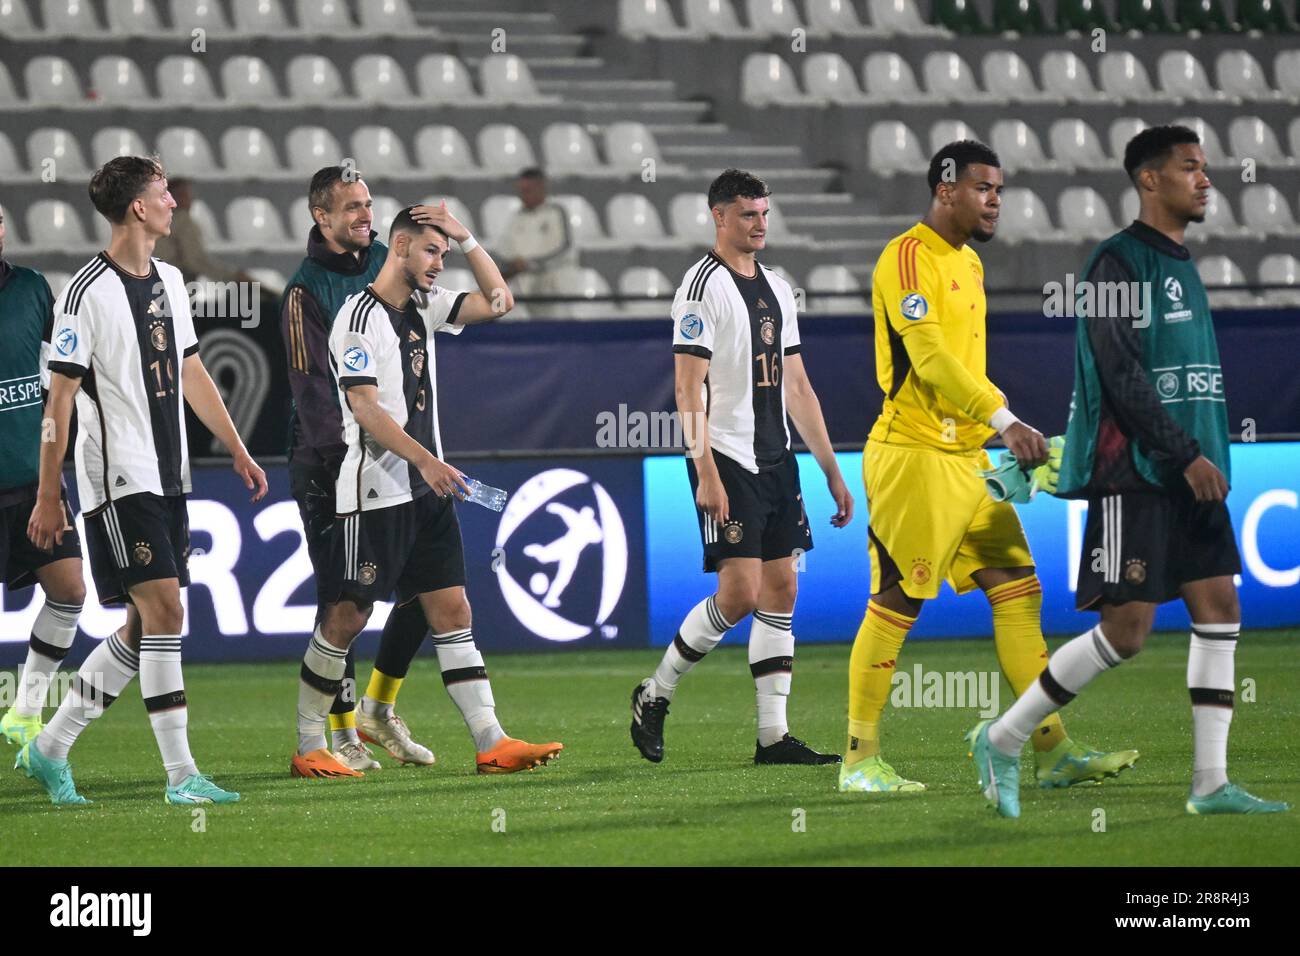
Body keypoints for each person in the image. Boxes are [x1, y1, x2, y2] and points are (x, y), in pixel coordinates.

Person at [968, 126, 1290, 818]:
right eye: (1190, 168)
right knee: (1127, 631)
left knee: (1220, 611)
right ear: (1150, 180)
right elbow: (1119, 376)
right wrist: (1185, 454)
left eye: (1206, 168)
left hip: (1191, 477)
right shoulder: (1115, 264)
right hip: (1136, 475)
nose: (1206, 180)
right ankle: (1002, 737)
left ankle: (1209, 784)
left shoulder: (1184, 266)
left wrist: (1204, 460)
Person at [842, 141, 1138, 795]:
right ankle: (858, 759)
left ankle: (1052, 750)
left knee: (1018, 591)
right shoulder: (908, 256)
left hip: (969, 461)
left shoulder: (969, 265)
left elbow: (966, 372)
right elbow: (929, 360)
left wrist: (1000, 435)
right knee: (896, 602)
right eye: (983, 188)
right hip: (913, 458)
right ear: (946, 190)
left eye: (1000, 190)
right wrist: (1006, 419)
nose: (995, 201)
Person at [21, 156, 268, 806]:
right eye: (164, 194)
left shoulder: (169, 279)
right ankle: (182, 774)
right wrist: (52, 494)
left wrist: (238, 448)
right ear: (137, 207)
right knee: (166, 611)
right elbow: (59, 402)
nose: (174, 205)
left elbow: (191, 370)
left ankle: (49, 747)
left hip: (168, 475)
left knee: (139, 624)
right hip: (116, 479)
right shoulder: (83, 293)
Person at [291, 205, 563, 778]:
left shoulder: (423, 307)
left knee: (451, 607)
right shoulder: (357, 318)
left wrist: (466, 235)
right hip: (376, 493)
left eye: (444, 253)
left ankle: (491, 739)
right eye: (432, 252)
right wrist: (426, 460)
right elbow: (364, 408)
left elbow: (498, 301)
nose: (441, 264)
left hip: (426, 491)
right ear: (400, 248)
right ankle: (309, 743)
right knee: (346, 617)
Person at [630, 169, 851, 766]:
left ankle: (773, 736)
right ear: (718, 216)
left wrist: (830, 468)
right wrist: (703, 469)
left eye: (764, 214)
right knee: (740, 593)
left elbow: (798, 385)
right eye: (748, 214)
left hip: (778, 458)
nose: (759, 225)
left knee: (781, 590)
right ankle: (655, 692)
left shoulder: (779, 288)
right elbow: (686, 388)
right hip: (727, 457)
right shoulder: (701, 286)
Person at [282, 166, 441, 771]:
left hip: (403, 458)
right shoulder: (304, 293)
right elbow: (312, 393)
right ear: (321, 217)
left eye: (368, 204)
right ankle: (341, 731)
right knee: (344, 604)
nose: (363, 216)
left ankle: (380, 706)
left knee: (430, 590)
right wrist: (344, 464)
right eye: (350, 207)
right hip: (333, 468)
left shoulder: (391, 260)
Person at [0, 205, 88, 750]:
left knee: (70, 589)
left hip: (32, 482)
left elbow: (66, 372)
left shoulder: (32, 288)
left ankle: (24, 710)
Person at [496, 168, 577, 317]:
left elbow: (564, 248)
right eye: (521, 191)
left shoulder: (556, 212)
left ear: (541, 188)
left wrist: (529, 264)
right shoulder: (516, 217)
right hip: (525, 288)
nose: (523, 195)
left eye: (528, 190)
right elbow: (504, 249)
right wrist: (512, 264)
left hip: (554, 288)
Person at [152, 178, 253, 286]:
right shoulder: (182, 221)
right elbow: (196, 261)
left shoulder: (148, 221)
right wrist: (234, 276)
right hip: (167, 287)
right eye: (184, 195)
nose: (189, 200)